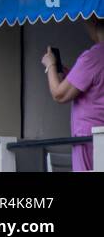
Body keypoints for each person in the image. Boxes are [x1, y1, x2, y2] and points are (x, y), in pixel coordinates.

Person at [43, 16, 104, 172]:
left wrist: (50, 65)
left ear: (94, 23)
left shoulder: (93, 57)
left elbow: (59, 95)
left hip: (89, 139)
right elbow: (95, 85)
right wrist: (68, 72)